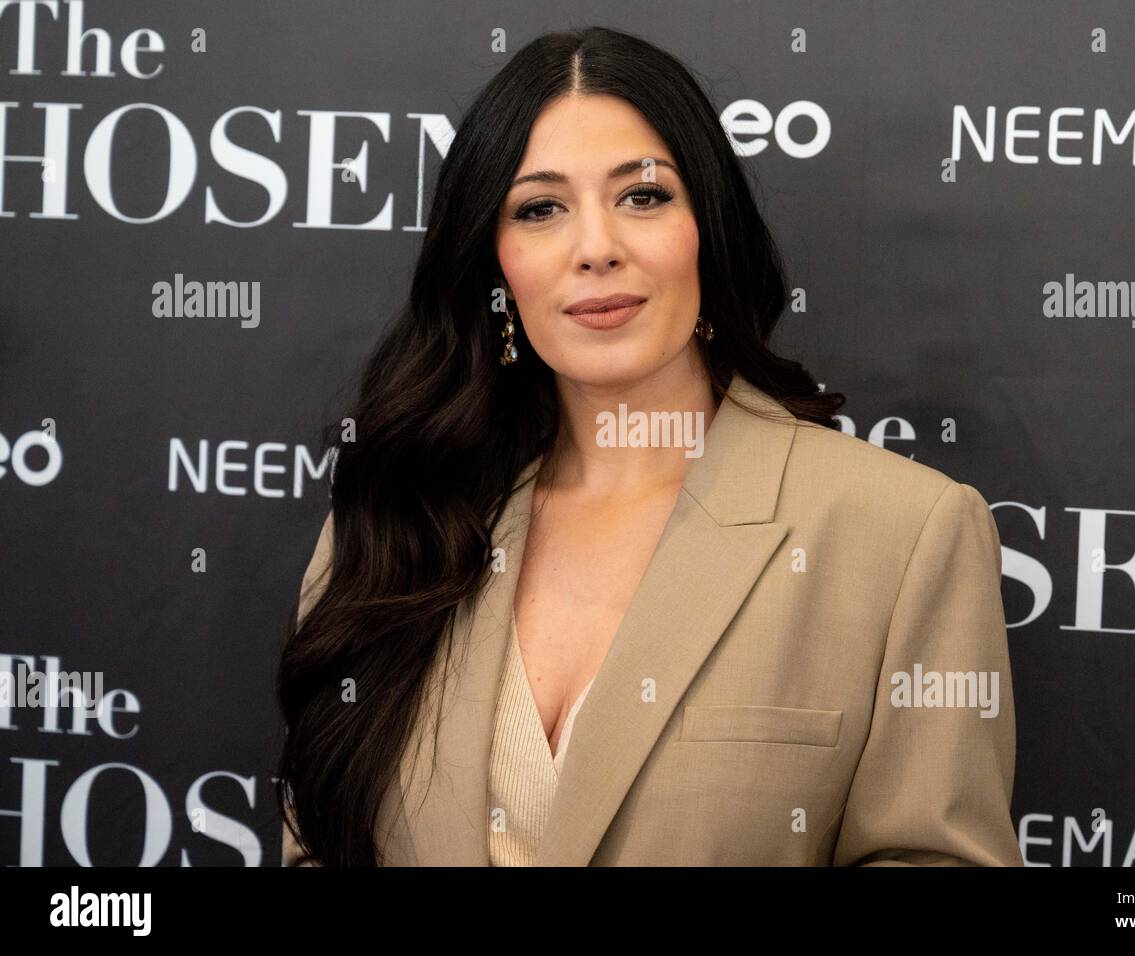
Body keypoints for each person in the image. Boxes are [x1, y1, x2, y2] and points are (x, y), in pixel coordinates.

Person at [277, 25, 1021, 867]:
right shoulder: (399, 512)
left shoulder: (902, 533)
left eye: (642, 196)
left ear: (709, 226)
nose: (596, 248)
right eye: (541, 208)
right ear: (494, 266)